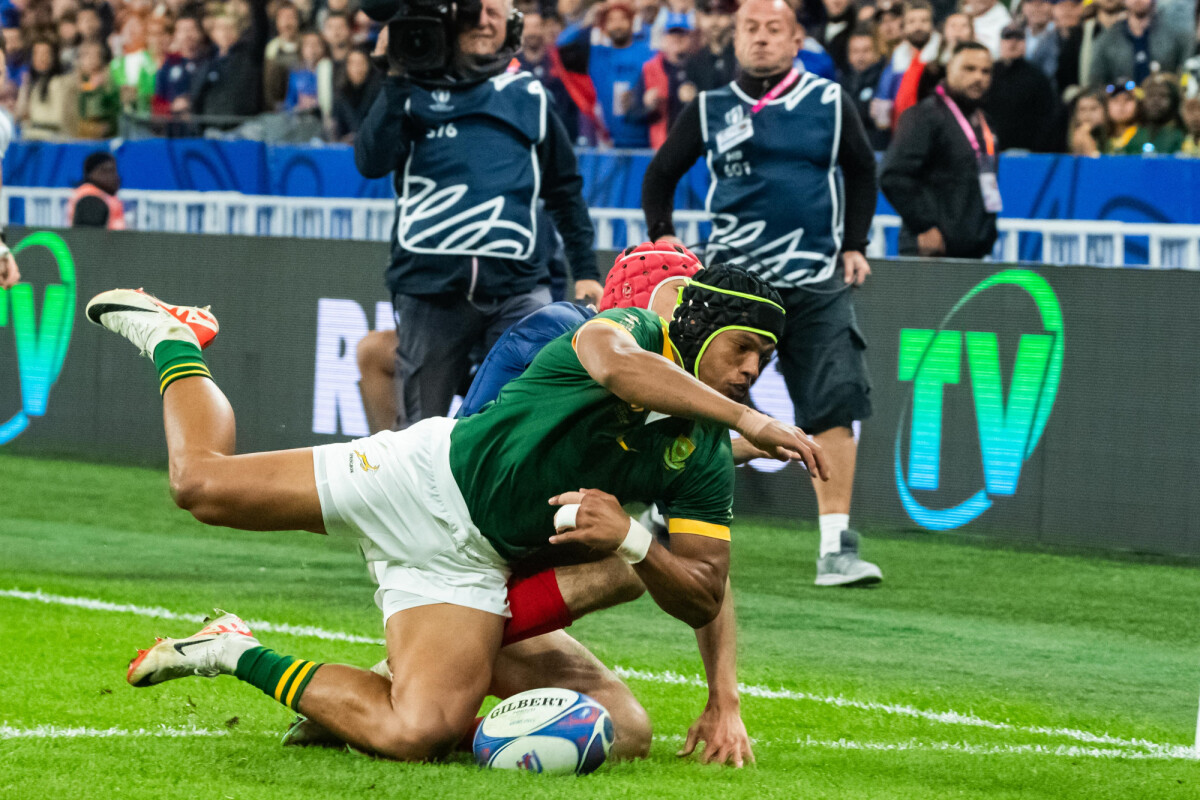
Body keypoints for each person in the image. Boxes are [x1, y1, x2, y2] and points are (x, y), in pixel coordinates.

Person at [86, 263, 826, 763]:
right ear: (697, 328)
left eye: (766, 358)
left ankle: (229, 648)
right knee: (200, 487)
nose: (754, 369)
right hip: (420, 480)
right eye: (745, 347)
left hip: (473, 561)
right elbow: (614, 368)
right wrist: (748, 421)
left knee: (420, 730)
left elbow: (703, 587)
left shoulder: (699, 455)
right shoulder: (618, 329)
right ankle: (175, 338)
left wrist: (634, 537)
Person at [642, 0, 882, 587]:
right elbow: (661, 173)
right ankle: (658, 511)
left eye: (775, 29)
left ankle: (836, 549)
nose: (762, 39)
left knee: (835, 400)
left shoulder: (828, 101)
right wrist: (662, 234)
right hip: (735, 290)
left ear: (797, 39)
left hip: (815, 279)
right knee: (689, 399)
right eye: (752, 28)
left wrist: (855, 242)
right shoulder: (711, 106)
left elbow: (862, 170)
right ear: (736, 38)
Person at [356, 0, 602, 425]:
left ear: (513, 23)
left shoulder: (529, 96)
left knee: (526, 426)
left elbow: (564, 190)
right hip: (429, 289)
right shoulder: (410, 92)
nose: (484, 20)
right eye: (473, 9)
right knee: (419, 438)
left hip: (517, 289)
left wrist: (585, 270)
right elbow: (371, 162)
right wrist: (395, 77)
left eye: (496, 11)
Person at [881, 41, 999, 258]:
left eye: (985, 71)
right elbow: (893, 175)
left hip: (972, 252)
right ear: (949, 67)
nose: (978, 78)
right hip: (930, 254)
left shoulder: (984, 123)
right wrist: (923, 226)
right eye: (969, 69)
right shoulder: (924, 116)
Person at [558, 0, 655, 148]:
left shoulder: (647, 51)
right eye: (611, 20)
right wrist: (587, 21)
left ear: (631, 22)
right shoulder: (598, 55)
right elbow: (561, 45)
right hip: (609, 143)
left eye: (622, 19)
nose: (617, 25)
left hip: (646, 141)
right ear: (604, 26)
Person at [983, 22, 1058, 151]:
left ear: (1025, 43)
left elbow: (1047, 116)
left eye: (1018, 38)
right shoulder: (987, 73)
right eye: (1007, 38)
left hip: (1027, 151)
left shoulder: (1037, 77)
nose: (1013, 43)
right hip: (991, 149)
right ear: (1000, 42)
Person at [190, 3, 270, 123]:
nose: (225, 33)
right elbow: (196, 98)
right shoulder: (206, 63)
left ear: (238, 32)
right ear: (213, 33)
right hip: (213, 131)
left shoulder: (250, 55)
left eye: (230, 28)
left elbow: (261, 26)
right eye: (221, 28)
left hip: (244, 129)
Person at [1089, 0, 1192, 88]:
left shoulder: (1174, 34)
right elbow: (1096, 85)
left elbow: (1187, 72)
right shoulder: (1107, 40)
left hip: (1166, 106)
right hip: (1123, 105)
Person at [629, 11, 693, 148]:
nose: (677, 38)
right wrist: (648, 106)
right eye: (671, 33)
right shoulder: (649, 69)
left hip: (694, 149)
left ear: (690, 39)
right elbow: (631, 115)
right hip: (661, 150)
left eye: (682, 33)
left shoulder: (701, 68)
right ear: (663, 38)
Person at [875, 0, 940, 132]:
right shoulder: (896, 60)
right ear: (903, 27)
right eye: (912, 22)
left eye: (924, 21)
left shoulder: (942, 57)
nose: (918, 26)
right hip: (900, 133)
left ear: (932, 25)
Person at [840, 23, 889, 150]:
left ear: (877, 51)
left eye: (866, 50)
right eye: (855, 51)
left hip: (877, 148)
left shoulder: (885, 78)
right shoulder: (842, 81)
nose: (860, 57)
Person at [16, 37, 76, 140]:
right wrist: (25, 87)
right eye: (37, 54)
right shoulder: (32, 84)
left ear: (54, 57)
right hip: (32, 140)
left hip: (56, 142)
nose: (41, 58)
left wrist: (32, 121)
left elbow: (59, 119)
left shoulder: (62, 83)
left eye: (46, 53)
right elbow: (19, 115)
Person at [683, 0, 736, 93]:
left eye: (721, 13)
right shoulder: (694, 61)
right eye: (708, 14)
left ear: (732, 16)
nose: (714, 21)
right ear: (698, 17)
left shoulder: (742, 57)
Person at [1125, 71, 1184, 152]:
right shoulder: (1134, 135)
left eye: (1163, 95)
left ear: (1174, 100)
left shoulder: (1181, 137)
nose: (1155, 101)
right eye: (1151, 95)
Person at [330, 46, 379, 141]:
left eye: (361, 63)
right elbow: (335, 124)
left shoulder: (377, 91)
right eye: (353, 63)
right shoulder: (339, 94)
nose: (357, 68)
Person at [74, 39, 119, 138]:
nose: (92, 60)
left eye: (96, 55)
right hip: (82, 129)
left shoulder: (107, 76)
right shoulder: (77, 79)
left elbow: (114, 102)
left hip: (104, 128)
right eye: (87, 56)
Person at [68, 150, 125, 228]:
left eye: (115, 171)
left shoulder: (99, 195)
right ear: (93, 174)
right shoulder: (91, 199)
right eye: (109, 171)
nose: (116, 177)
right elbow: (90, 236)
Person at [264, 1, 303, 110]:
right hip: (279, 106)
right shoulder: (272, 47)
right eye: (283, 18)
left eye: (291, 17)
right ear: (277, 22)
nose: (287, 23)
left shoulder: (305, 44)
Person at [1022, 0, 1059, 83]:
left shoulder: (1060, 36)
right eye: (1032, 3)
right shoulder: (1015, 33)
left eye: (1042, 3)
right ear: (1023, 7)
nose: (1037, 8)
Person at [1067, 87, 1110, 153]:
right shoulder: (1075, 136)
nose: (1087, 115)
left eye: (1093, 108)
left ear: (1106, 110)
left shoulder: (1114, 137)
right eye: (1082, 109)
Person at [1105, 77, 1142, 150]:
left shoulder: (1144, 136)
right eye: (1115, 100)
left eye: (1128, 100)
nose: (1121, 105)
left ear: (1139, 105)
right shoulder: (1100, 138)